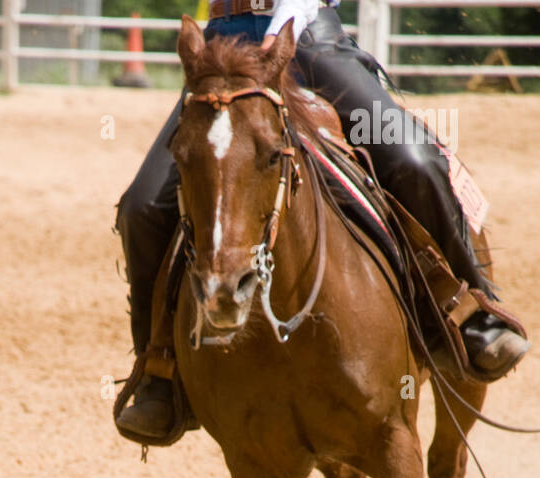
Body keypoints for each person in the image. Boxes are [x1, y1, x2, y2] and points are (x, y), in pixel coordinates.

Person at [116, 0, 530, 439]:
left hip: (309, 40)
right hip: (221, 53)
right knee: (141, 208)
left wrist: (281, 28)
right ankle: (157, 369)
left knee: (414, 160)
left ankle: (471, 313)